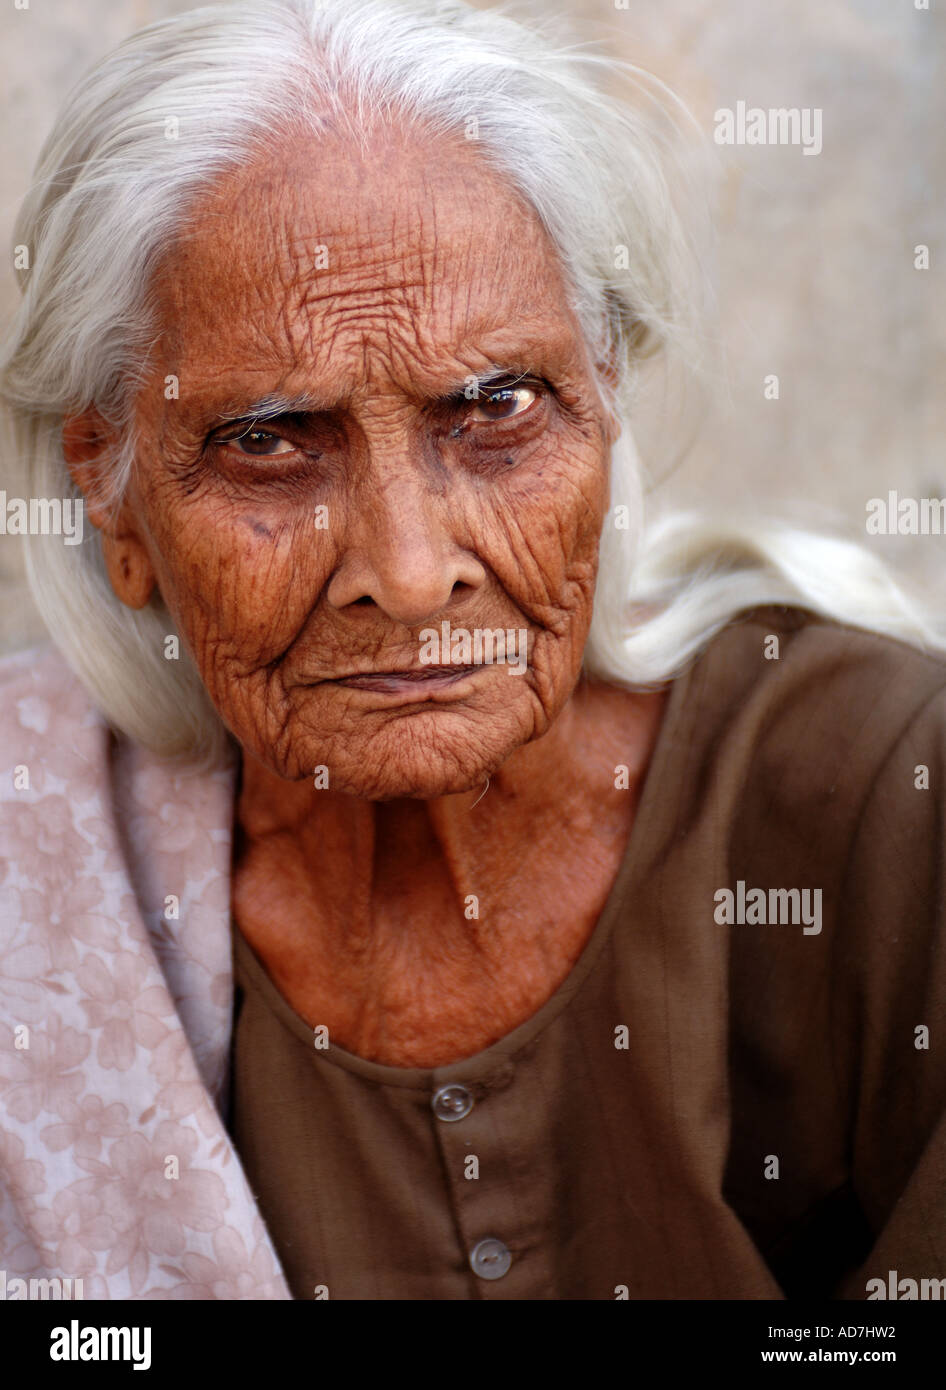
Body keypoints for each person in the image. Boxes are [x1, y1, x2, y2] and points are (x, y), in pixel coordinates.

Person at [1, 0, 944, 1301]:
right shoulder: (38, 868)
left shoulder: (886, 795)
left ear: (605, 402)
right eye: (269, 439)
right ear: (113, 497)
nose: (403, 568)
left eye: (495, 407)